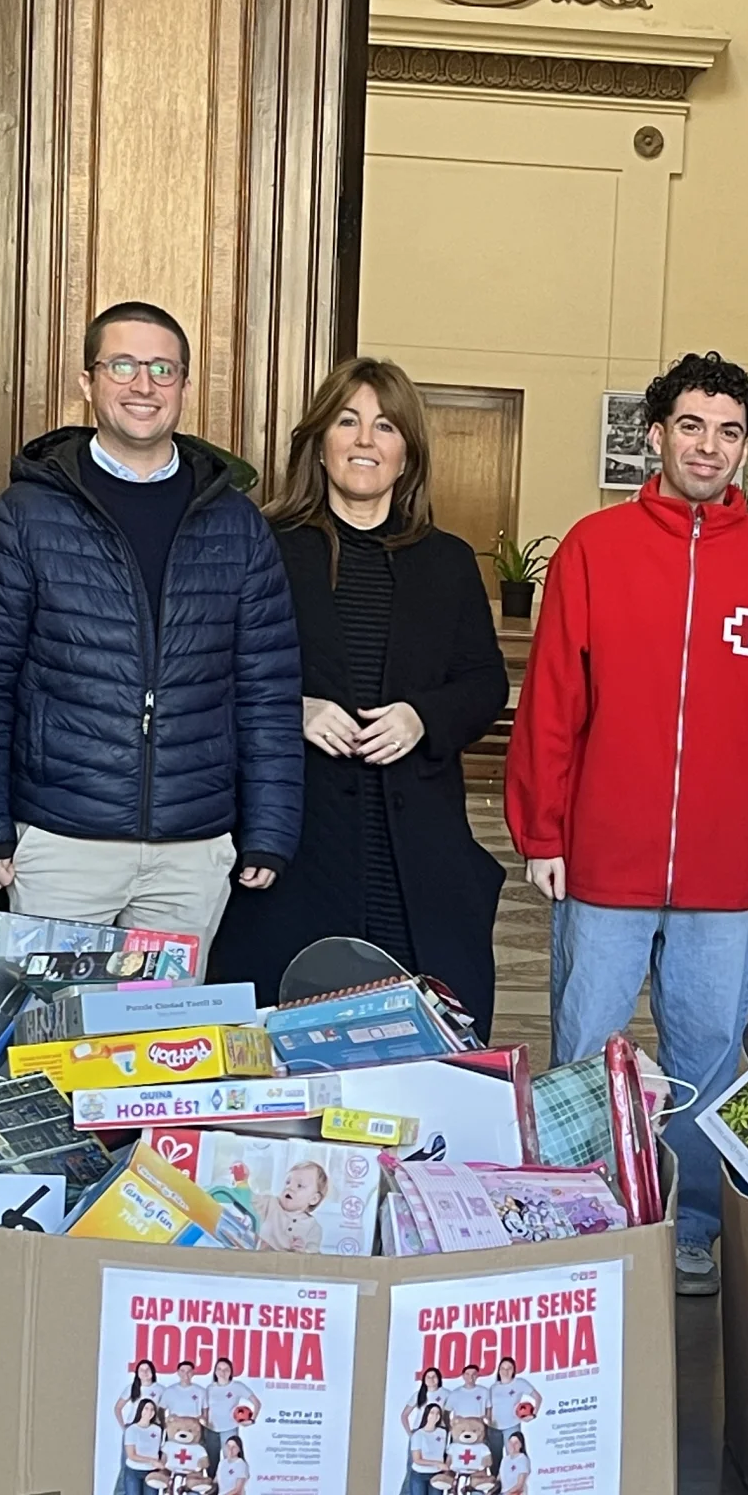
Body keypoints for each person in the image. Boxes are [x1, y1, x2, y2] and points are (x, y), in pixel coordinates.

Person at [507, 351, 748, 1295]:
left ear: (744, 447)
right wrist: (542, 832)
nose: (709, 446)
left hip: (724, 863)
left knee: (709, 1056)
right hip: (603, 855)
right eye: (692, 426)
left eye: (728, 431)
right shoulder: (595, 546)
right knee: (587, 1044)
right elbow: (554, 697)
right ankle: (578, 1209)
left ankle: (694, 1224)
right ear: (659, 435)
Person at [0, 300, 302, 959]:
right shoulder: (24, 518)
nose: (143, 385)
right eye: (123, 365)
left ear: (183, 387)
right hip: (62, 840)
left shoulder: (236, 524)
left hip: (192, 850)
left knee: (162, 1052)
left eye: (162, 369)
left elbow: (267, 689)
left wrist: (271, 825)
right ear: (88, 382)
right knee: (48, 1046)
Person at [212, 359, 511, 1027]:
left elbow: (484, 682)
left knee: (422, 1055)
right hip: (296, 854)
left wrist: (421, 716)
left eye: (384, 425)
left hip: (419, 862)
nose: (365, 440)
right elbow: (208, 672)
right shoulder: (263, 546)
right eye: (347, 421)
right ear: (319, 443)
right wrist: (291, 710)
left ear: (408, 453)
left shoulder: (449, 561)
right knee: (289, 1053)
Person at [121, 1398, 164, 1495]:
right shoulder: (131, 1430)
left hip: (151, 1472)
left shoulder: (157, 1430)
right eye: (146, 1408)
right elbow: (131, 1455)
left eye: (152, 1409)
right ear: (140, 1410)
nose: (149, 1412)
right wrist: (151, 1460)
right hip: (134, 1470)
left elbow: (161, 1449)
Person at [406, 1403, 449, 1495]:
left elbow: (447, 1451)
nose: (435, 1416)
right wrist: (437, 1463)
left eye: (438, 1413)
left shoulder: (443, 1433)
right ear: (426, 1415)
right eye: (432, 1413)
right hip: (419, 1474)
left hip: (436, 1474)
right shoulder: (418, 1435)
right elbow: (417, 1459)